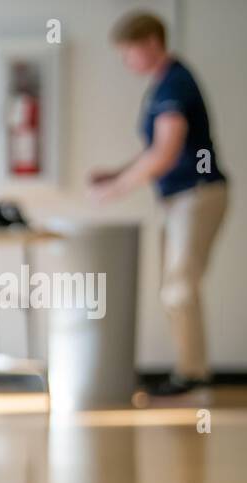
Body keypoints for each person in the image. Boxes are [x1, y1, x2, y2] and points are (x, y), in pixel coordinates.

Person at [89, 11, 228, 396]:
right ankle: (191, 370)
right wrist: (116, 173)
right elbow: (154, 151)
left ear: (151, 42)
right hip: (178, 198)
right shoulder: (163, 85)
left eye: (128, 52)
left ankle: (192, 375)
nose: (126, 62)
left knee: (179, 287)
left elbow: (165, 153)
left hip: (196, 194)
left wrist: (115, 189)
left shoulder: (175, 85)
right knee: (175, 287)